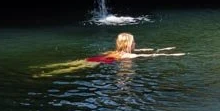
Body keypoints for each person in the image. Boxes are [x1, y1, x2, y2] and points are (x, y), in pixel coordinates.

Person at [33, 33, 183, 79]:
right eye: (134, 42)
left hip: (97, 57)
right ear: (129, 45)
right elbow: (150, 57)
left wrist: (163, 48)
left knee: (72, 63)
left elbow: (145, 51)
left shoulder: (117, 51)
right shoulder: (128, 57)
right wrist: (172, 54)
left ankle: (44, 67)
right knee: (70, 70)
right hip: (100, 62)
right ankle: (44, 75)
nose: (136, 44)